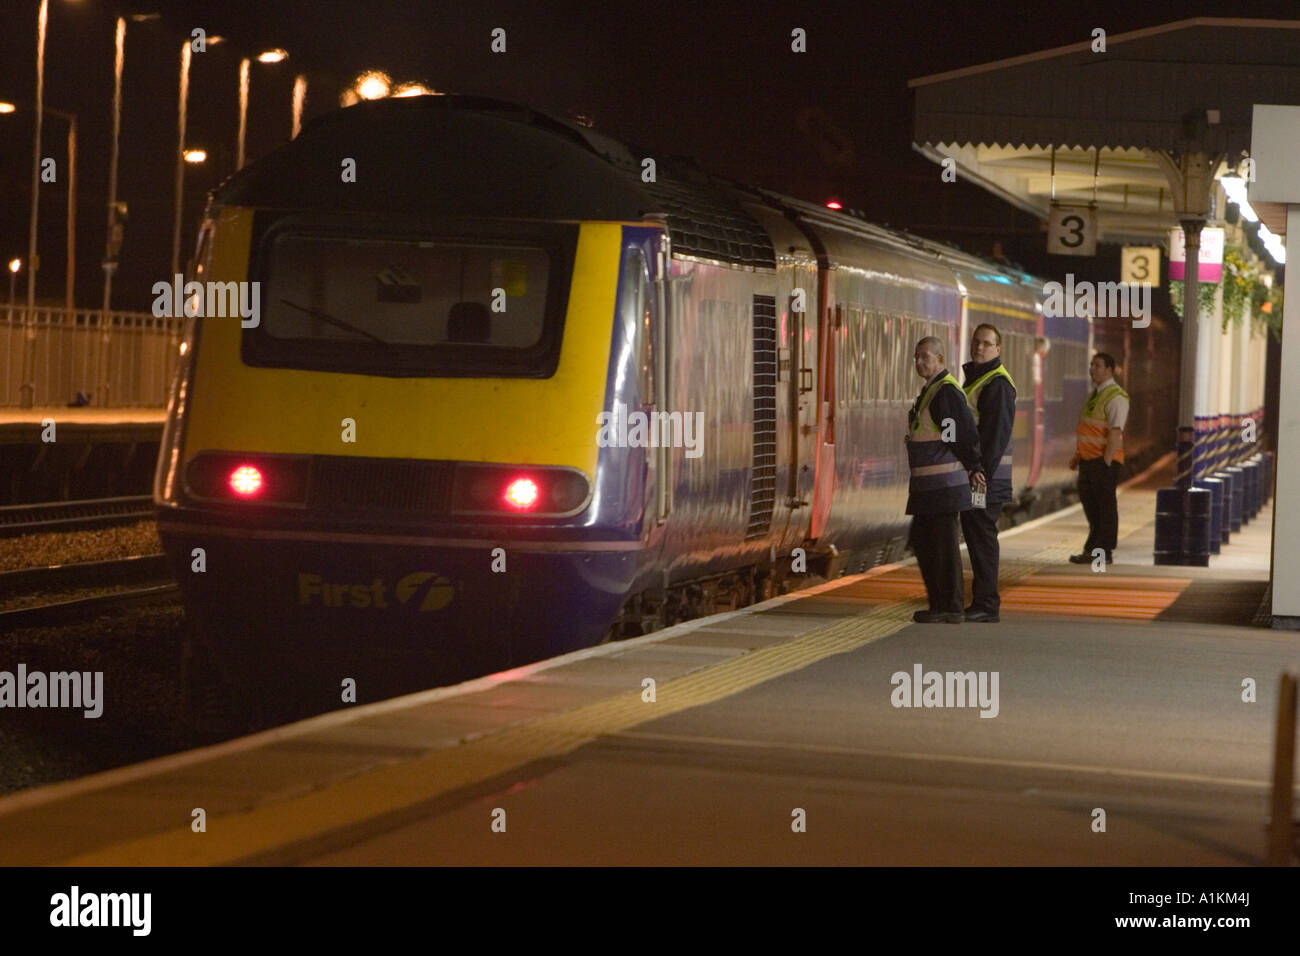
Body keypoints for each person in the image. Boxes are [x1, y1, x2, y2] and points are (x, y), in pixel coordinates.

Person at [905, 336, 984, 623]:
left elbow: (962, 434)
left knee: (941, 547)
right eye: (916, 357)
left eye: (926, 356)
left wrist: (974, 466)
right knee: (925, 542)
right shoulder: (932, 391)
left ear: (940, 359)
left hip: (944, 486)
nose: (920, 362)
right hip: (930, 487)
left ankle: (949, 606)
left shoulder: (945, 393)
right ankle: (940, 604)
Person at [960, 323, 1016, 622]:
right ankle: (981, 601)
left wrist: (979, 472)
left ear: (998, 349)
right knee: (977, 535)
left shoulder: (997, 384)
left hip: (986, 482)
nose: (979, 347)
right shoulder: (978, 379)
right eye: (976, 342)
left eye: (986, 343)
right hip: (982, 479)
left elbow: (994, 437)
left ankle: (986, 604)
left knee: (982, 537)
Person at [1069, 352, 1129, 565]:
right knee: (1092, 507)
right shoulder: (1095, 395)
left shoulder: (1116, 397)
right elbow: (1088, 429)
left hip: (1103, 462)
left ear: (1109, 370)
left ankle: (1103, 552)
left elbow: (1115, 432)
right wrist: (1078, 456)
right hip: (1088, 461)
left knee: (1104, 508)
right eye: (1091, 365)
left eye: (1097, 365)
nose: (1092, 369)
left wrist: (1106, 462)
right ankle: (1093, 548)